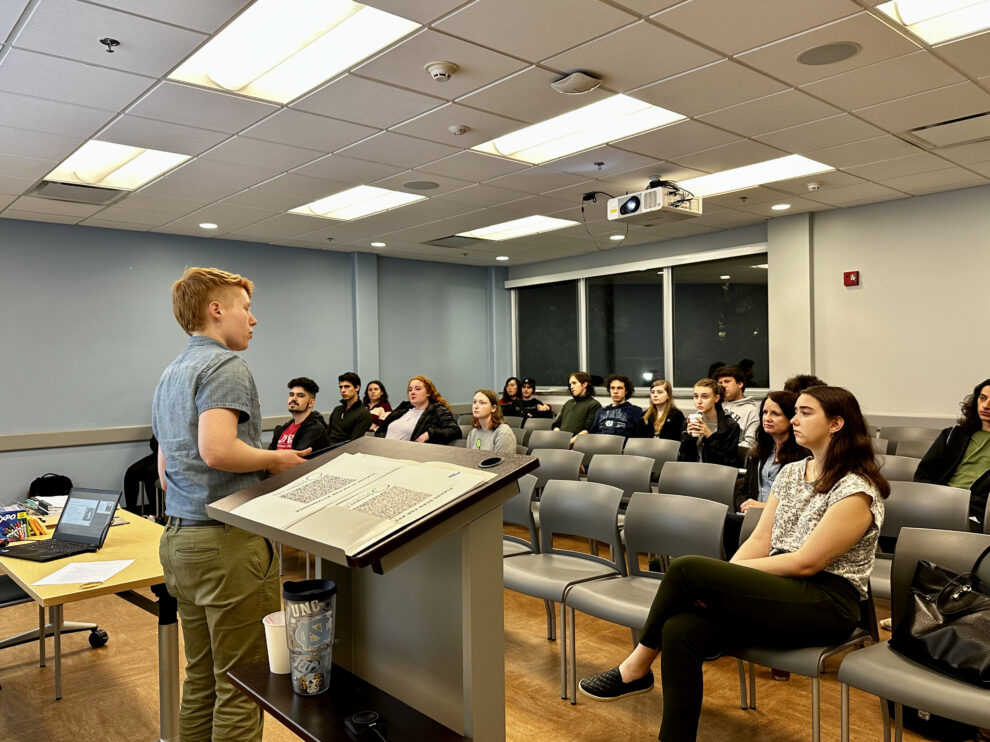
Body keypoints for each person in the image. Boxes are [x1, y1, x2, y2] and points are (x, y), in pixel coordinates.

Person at [579, 386, 888, 742]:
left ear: (835, 424)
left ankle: (634, 668)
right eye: (796, 412)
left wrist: (720, 580)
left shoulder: (856, 489)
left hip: (826, 603)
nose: (794, 419)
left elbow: (807, 563)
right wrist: (724, 582)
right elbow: (760, 540)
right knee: (679, 629)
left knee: (687, 569)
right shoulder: (792, 473)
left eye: (805, 412)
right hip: (780, 591)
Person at [152, 267, 308, 742]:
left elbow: (164, 471)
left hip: (181, 542)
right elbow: (217, 450)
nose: (253, 320)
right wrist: (274, 459)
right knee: (241, 686)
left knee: (201, 679)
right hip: (226, 547)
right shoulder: (225, 367)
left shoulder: (171, 373)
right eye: (245, 309)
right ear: (217, 310)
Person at [915, 378, 990, 524]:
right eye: (982, 398)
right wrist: (935, 501)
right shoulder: (952, 435)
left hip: (979, 512)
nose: (986, 406)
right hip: (939, 502)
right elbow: (924, 475)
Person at [735, 391, 809, 512]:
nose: (767, 418)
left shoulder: (804, 456)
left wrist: (763, 507)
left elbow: (801, 503)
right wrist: (744, 505)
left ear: (791, 417)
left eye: (776, 414)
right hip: (752, 516)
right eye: (765, 412)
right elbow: (743, 491)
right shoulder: (761, 452)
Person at [375, 375, 461, 444]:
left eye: (418, 389)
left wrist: (429, 434)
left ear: (428, 392)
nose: (412, 392)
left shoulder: (437, 410)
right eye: (410, 390)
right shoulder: (403, 408)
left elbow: (455, 431)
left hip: (406, 456)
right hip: (383, 451)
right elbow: (381, 430)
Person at [677, 378, 741, 466]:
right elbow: (682, 460)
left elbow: (728, 462)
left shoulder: (731, 426)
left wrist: (709, 436)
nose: (699, 401)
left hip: (717, 474)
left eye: (704, 396)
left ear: (716, 398)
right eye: (696, 396)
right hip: (693, 472)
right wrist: (688, 438)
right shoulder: (689, 422)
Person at [268, 377, 330, 452]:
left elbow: (297, 458)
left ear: (311, 403)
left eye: (300, 395)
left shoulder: (315, 428)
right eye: (291, 394)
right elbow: (269, 454)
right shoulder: (284, 428)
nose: (294, 398)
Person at [715, 365, 760, 448]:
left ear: (739, 384)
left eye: (727, 381)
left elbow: (751, 444)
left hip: (733, 457)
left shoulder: (752, 411)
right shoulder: (714, 405)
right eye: (720, 383)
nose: (723, 386)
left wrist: (725, 448)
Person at [552, 371, 602, 445]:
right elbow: (557, 424)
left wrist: (568, 442)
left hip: (578, 445)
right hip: (561, 443)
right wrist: (557, 438)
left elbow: (588, 429)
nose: (571, 387)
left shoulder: (594, 404)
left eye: (574, 383)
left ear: (585, 384)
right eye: (570, 384)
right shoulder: (568, 403)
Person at [327, 371, 373, 444]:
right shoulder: (337, 410)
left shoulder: (364, 414)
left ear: (357, 388)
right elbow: (327, 434)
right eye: (341, 387)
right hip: (326, 449)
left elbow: (353, 443)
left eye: (347, 387)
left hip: (344, 452)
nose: (343, 390)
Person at [466, 389, 516, 453]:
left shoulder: (503, 433)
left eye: (482, 403)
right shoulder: (473, 433)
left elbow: (501, 462)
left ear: (493, 408)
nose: (476, 406)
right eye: (474, 402)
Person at [123, 434, 160, 516]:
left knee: (150, 473)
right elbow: (153, 445)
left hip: (175, 455)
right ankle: (131, 513)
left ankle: (156, 514)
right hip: (159, 453)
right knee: (131, 472)